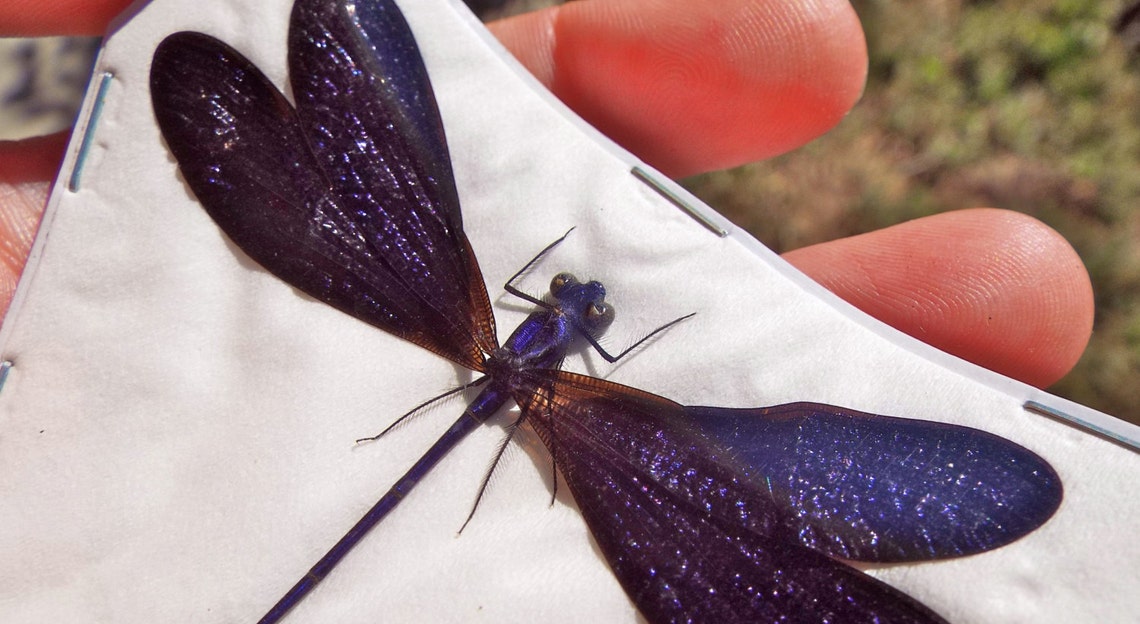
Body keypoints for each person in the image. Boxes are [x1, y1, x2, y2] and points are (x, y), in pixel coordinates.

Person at [0, 0, 1092, 387]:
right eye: (576, 308)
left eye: (566, 306)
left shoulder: (496, 311)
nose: (562, 309)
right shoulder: (560, 349)